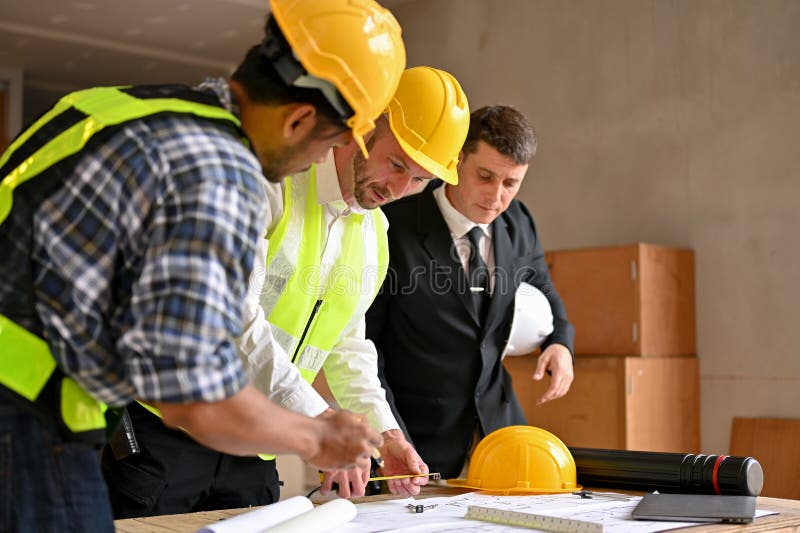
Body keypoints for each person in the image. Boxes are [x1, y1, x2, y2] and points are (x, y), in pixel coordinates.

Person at [0, 0, 406, 530]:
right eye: (332, 144)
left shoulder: (107, 105)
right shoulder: (218, 173)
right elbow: (197, 399)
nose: (316, 164)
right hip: (29, 422)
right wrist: (318, 436)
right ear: (301, 118)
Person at [102, 66, 471, 514]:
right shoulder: (271, 183)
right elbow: (236, 324)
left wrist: (384, 434)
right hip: (169, 431)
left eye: (419, 179)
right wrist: (319, 424)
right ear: (363, 128)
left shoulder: (375, 234)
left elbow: (347, 346)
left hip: (255, 448)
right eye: (396, 164)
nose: (398, 189)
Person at [366, 105, 576, 479]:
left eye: (510, 184)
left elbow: (546, 290)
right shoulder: (393, 224)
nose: (496, 197)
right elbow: (367, 347)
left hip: (500, 431)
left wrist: (559, 343)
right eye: (485, 176)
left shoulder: (518, 222)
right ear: (457, 161)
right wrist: (390, 436)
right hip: (416, 440)